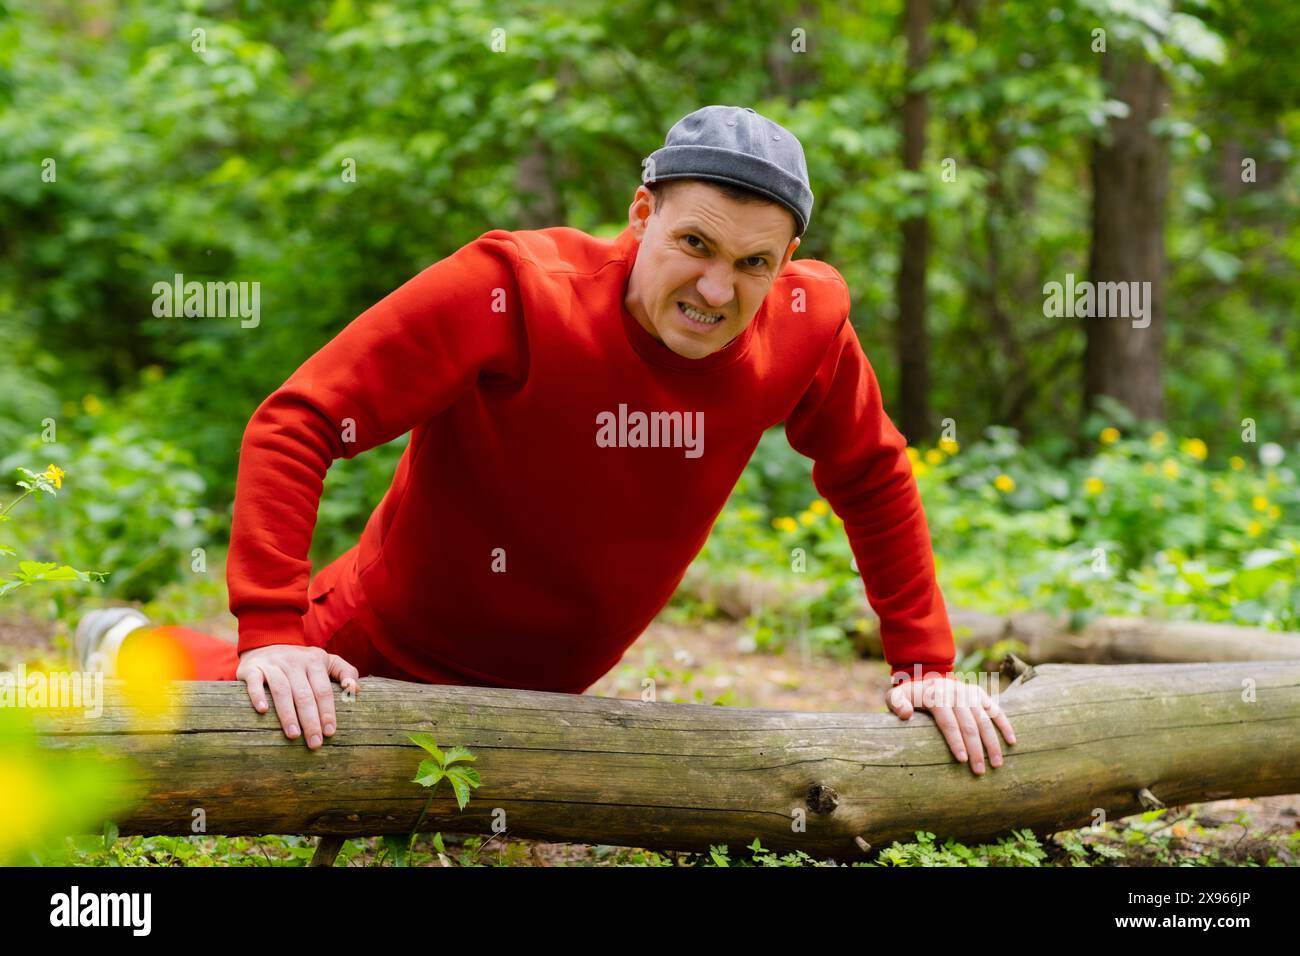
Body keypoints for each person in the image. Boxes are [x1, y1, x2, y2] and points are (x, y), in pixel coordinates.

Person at [76, 105, 1015, 774]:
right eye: (696, 244)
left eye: (753, 264)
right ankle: (120, 644)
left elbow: (873, 471)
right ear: (642, 215)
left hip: (554, 694)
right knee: (224, 705)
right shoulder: (514, 291)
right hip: (383, 646)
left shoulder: (808, 327)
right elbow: (299, 418)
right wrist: (272, 632)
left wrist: (927, 667)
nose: (719, 291)